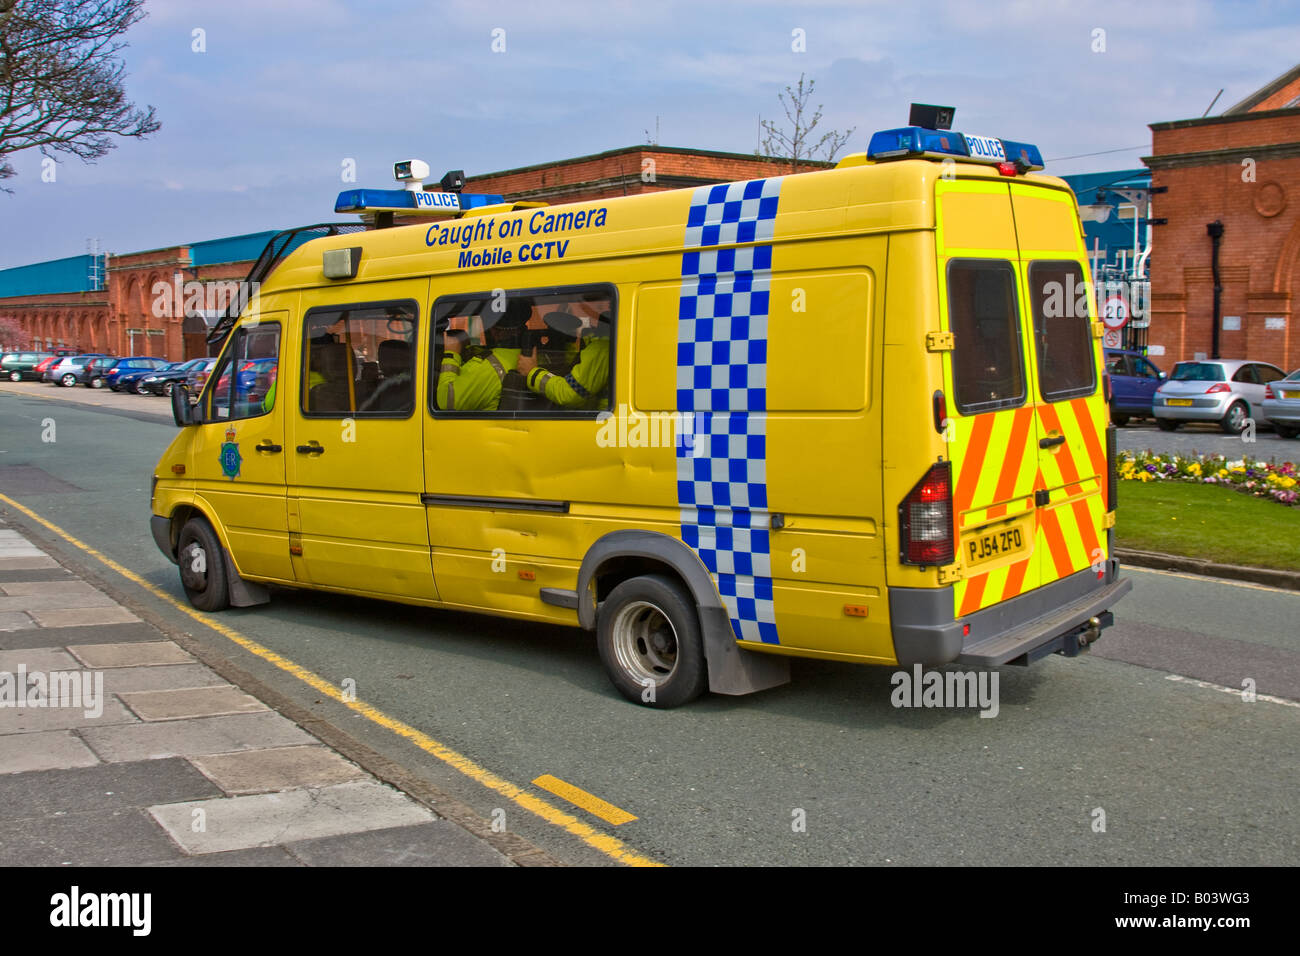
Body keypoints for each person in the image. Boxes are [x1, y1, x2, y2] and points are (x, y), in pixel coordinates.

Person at [436, 297, 531, 411]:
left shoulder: (488, 367)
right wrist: (466, 349)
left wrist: (451, 354)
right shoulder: (531, 357)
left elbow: (446, 402)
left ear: (495, 331)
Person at [517, 308, 610, 410]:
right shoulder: (582, 351)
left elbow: (570, 393)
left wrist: (532, 372)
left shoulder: (600, 350)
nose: (574, 335)